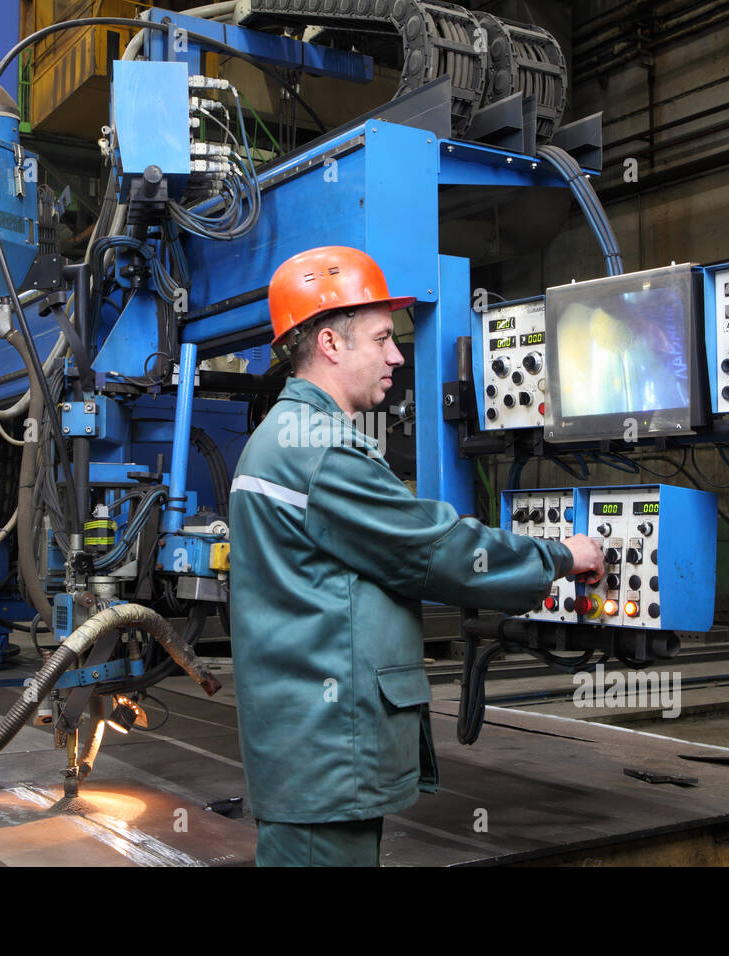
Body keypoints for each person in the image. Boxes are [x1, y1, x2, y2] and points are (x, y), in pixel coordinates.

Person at [228, 246, 604, 866]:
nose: (397, 356)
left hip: (309, 747)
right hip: (326, 756)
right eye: (381, 339)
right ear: (330, 343)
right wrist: (561, 555)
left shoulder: (285, 438)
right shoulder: (320, 450)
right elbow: (439, 551)